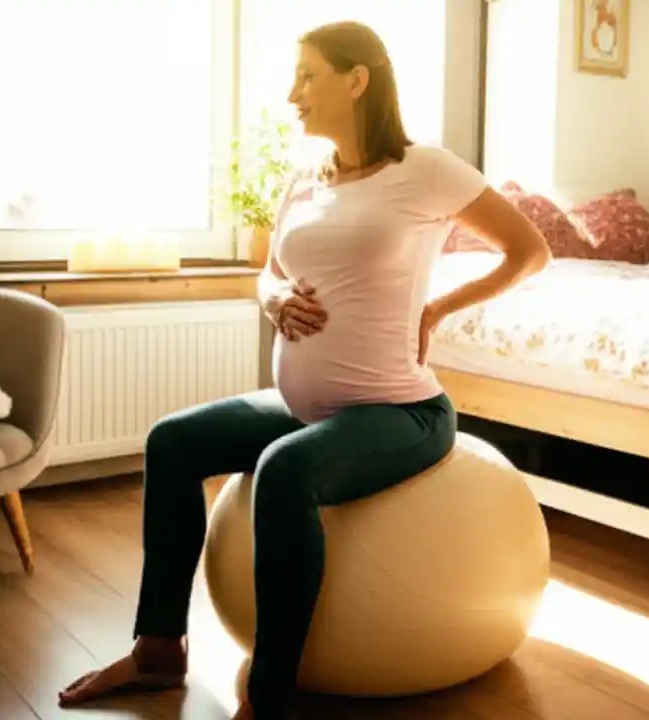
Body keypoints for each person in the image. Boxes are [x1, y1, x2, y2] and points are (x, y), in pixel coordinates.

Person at [57, 19, 551, 720]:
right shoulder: (303, 179)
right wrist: (274, 295)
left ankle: (272, 694)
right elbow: (270, 272)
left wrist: (439, 308)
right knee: (172, 440)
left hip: (399, 412)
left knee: (287, 472)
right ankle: (158, 648)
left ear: (357, 80)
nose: (292, 94)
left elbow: (529, 251)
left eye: (307, 76)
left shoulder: (428, 169)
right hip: (306, 407)